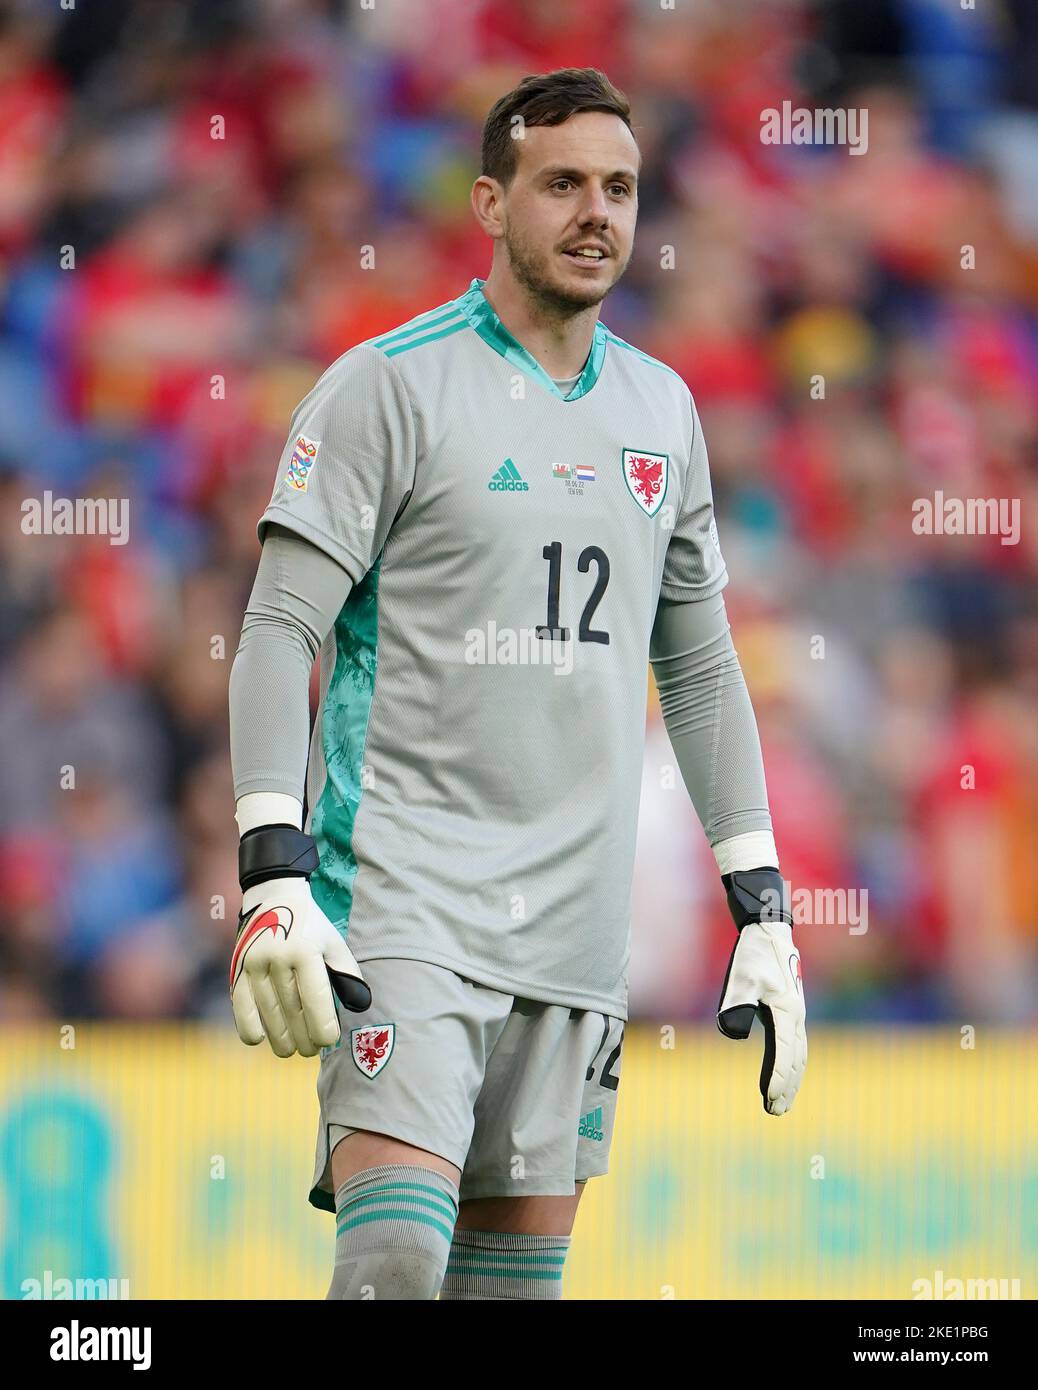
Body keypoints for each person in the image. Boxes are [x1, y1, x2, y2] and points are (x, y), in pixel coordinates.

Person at [227, 66, 806, 1302]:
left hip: (576, 933)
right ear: (490, 202)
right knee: (393, 1256)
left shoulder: (664, 410)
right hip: (407, 903)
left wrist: (760, 897)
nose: (596, 212)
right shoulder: (389, 384)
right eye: (562, 185)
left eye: (619, 189)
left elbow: (698, 664)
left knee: (507, 1294)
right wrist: (271, 865)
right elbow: (281, 622)